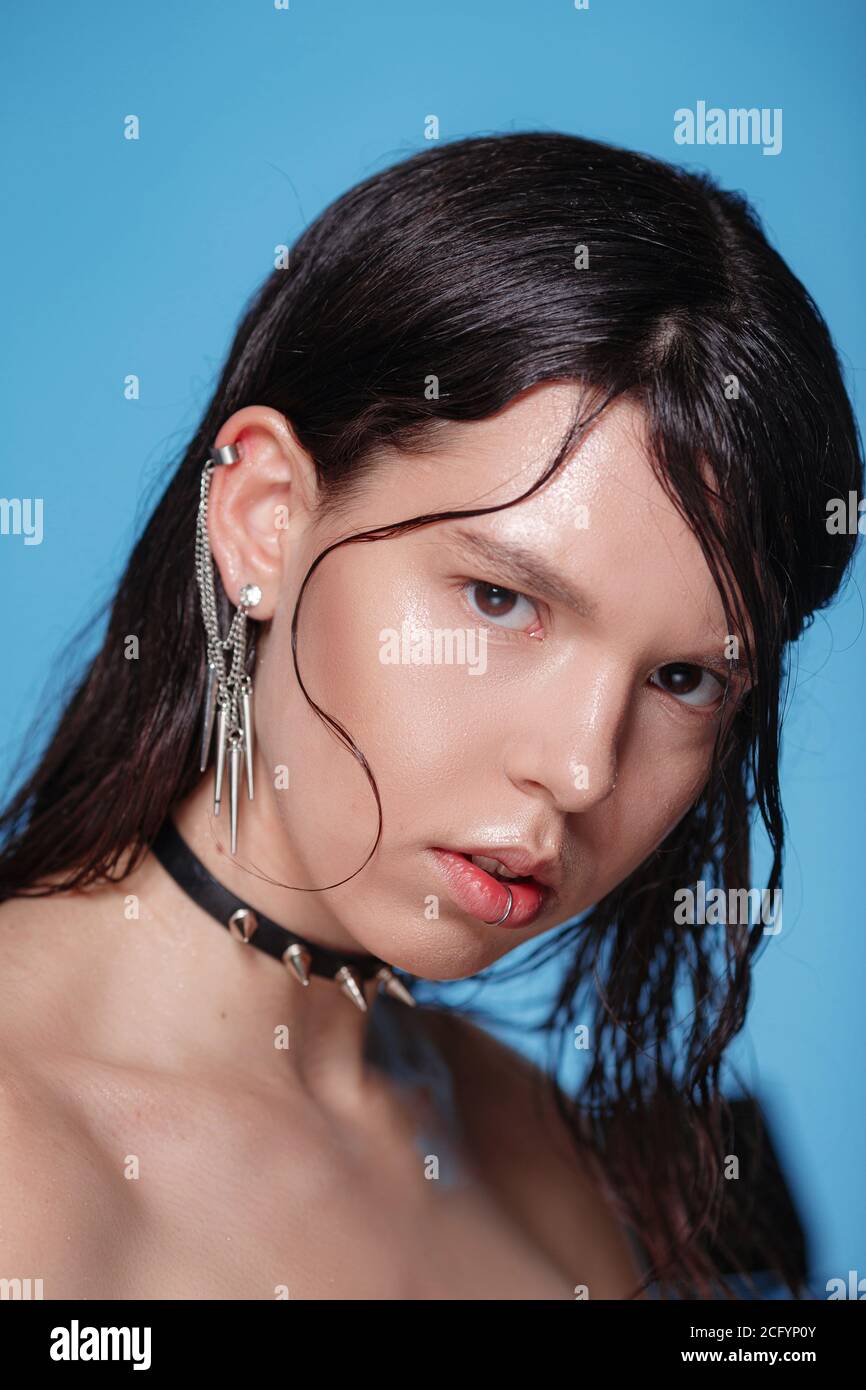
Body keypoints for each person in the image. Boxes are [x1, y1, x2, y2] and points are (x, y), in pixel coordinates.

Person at [0, 132, 860, 1300]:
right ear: (263, 518)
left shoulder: (560, 1159)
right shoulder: (27, 1167)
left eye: (682, 680)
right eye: (501, 599)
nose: (577, 770)